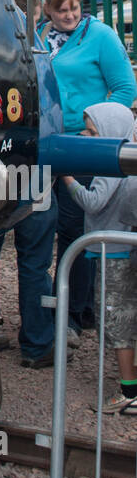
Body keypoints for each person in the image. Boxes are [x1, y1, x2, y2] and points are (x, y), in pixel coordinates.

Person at [40, 0, 137, 344]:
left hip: (81, 142)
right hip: (47, 139)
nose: (69, 15)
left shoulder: (99, 36)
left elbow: (126, 87)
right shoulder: (40, 38)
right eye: (61, 10)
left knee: (75, 225)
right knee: (42, 226)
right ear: (48, 10)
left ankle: (75, 313)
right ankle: (62, 305)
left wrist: (95, 125)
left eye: (74, 8)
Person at [0, 0, 57, 367]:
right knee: (34, 262)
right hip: (37, 173)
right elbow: (52, 117)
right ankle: (37, 344)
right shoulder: (38, 58)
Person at [59, 102, 137, 414]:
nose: (84, 134)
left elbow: (93, 203)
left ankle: (129, 392)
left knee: (116, 321)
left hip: (112, 251)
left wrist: (66, 178)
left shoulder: (112, 166)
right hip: (123, 247)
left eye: (92, 131)